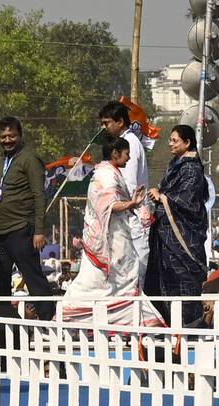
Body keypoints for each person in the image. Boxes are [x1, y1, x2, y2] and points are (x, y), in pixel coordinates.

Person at [59, 138, 161, 326]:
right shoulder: (107, 175)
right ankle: (72, 316)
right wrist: (132, 203)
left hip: (112, 235)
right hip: (110, 240)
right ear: (115, 153)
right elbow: (109, 205)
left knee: (121, 280)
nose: (129, 158)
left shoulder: (109, 173)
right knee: (113, 279)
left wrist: (132, 204)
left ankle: (131, 321)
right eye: (126, 153)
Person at [0, 117, 55, 321]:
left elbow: (39, 195)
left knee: (33, 278)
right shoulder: (1, 160)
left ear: (20, 135)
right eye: (3, 136)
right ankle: (3, 325)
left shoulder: (29, 159)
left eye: (12, 136)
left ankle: (48, 322)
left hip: (21, 230)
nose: (7, 140)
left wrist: (39, 230)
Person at [144, 125, 209, 327]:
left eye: (175, 140)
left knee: (183, 278)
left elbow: (188, 199)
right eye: (170, 140)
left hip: (182, 236)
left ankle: (190, 323)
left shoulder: (192, 168)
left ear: (187, 142)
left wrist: (162, 197)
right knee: (164, 278)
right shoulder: (176, 164)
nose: (171, 144)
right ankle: (169, 323)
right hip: (165, 235)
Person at [98, 101, 151, 286]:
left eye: (107, 123)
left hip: (133, 218)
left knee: (135, 276)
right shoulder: (122, 143)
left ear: (120, 122)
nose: (104, 127)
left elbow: (128, 186)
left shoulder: (129, 144)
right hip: (124, 218)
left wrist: (118, 205)